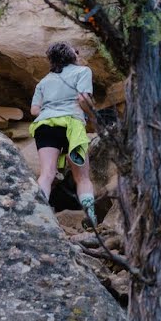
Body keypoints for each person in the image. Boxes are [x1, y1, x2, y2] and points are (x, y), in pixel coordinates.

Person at [29, 41, 98, 225]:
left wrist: (52, 108)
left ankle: (38, 214)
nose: (78, 55)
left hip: (45, 125)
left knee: (47, 173)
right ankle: (90, 215)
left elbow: (34, 110)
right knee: (82, 177)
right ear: (71, 55)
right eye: (76, 52)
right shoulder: (83, 71)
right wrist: (93, 117)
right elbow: (83, 98)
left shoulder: (44, 81)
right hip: (71, 125)